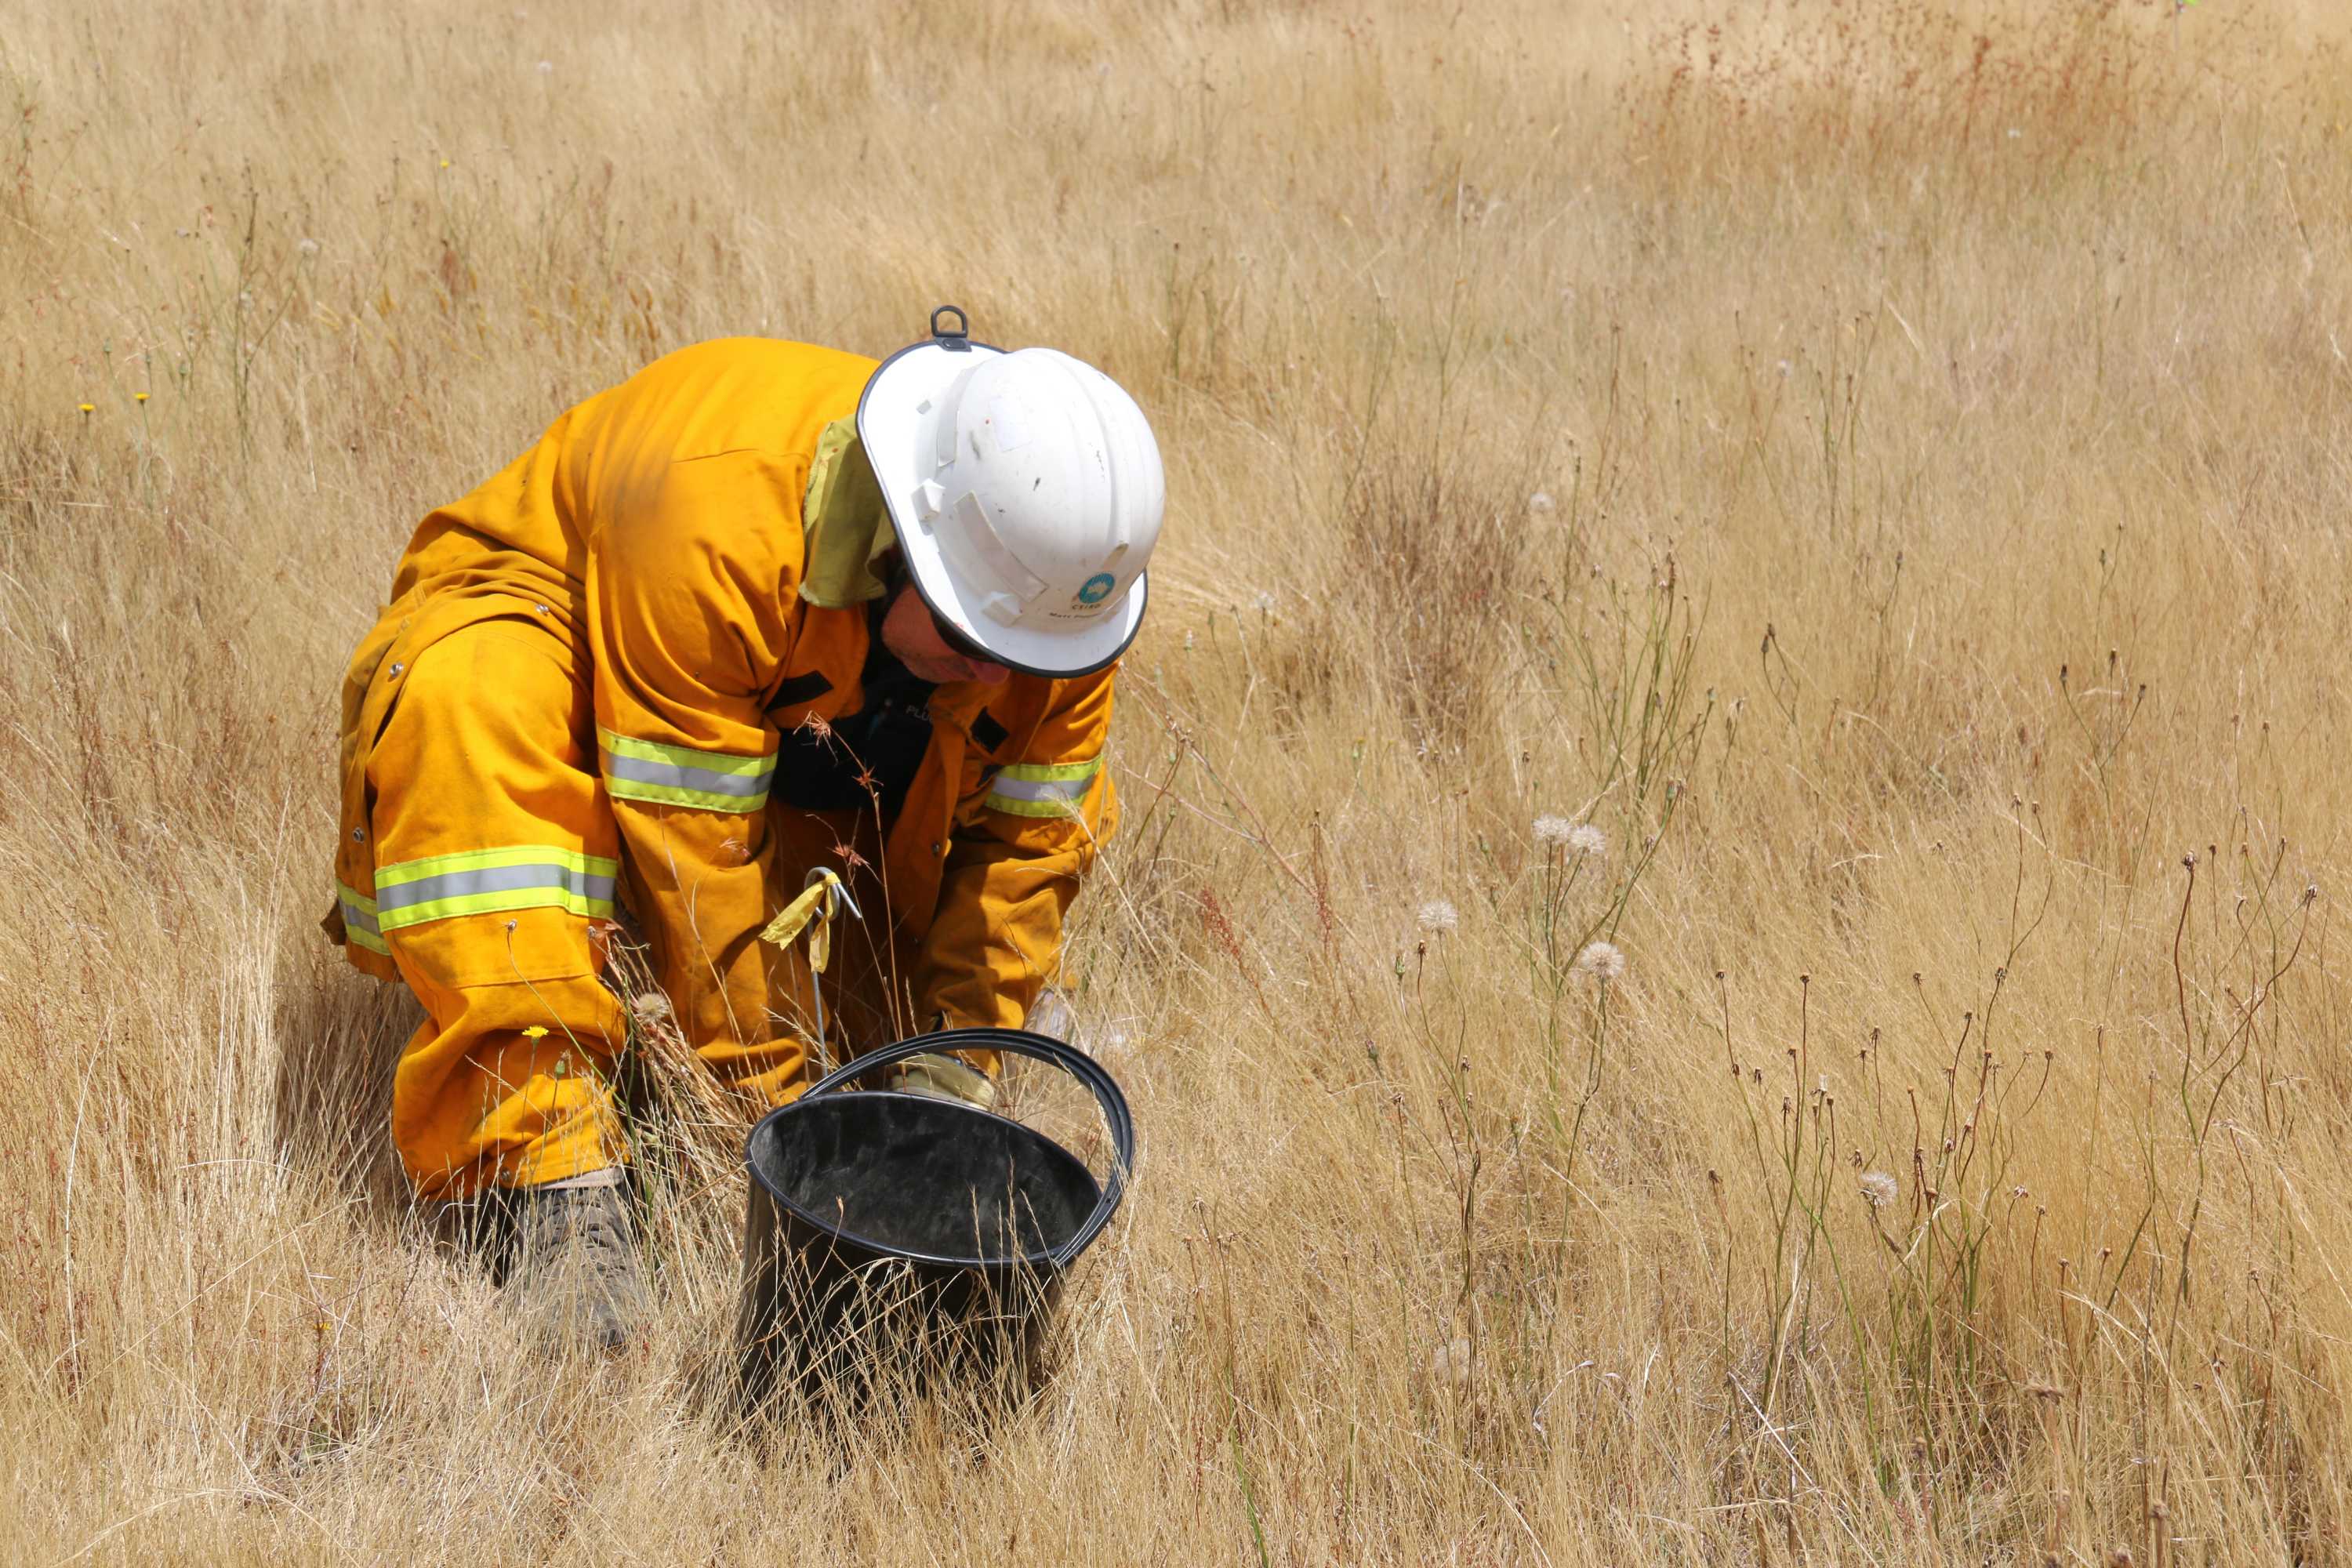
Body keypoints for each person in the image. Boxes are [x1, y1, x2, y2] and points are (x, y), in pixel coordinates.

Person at [321, 307, 1163, 1347]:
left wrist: (950, 1083)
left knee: (866, 1038)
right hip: (552, 619)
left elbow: (1028, 856)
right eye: (972, 638)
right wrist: (779, 1129)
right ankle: (547, 1187)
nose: (1003, 678)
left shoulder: (1054, 601)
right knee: (472, 715)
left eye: (1026, 656)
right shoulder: (718, 525)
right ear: (899, 544)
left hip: (782, 716)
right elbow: (698, 871)